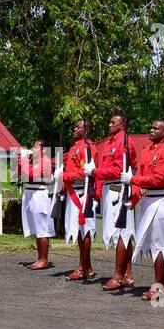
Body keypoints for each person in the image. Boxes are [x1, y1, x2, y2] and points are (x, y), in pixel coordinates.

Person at [126, 118, 164, 300]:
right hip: (148, 200)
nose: (151, 129)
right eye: (151, 126)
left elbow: (159, 178)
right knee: (153, 245)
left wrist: (133, 180)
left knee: (161, 246)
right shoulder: (147, 151)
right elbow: (141, 173)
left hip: (161, 200)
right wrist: (133, 196)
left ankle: (158, 288)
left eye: (156, 128)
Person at [96, 114, 139, 292]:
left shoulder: (125, 142)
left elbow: (118, 169)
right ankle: (127, 273)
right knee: (121, 232)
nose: (109, 124)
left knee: (122, 232)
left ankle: (118, 276)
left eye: (113, 122)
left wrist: (96, 172)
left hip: (119, 188)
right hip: (108, 187)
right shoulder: (109, 143)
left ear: (122, 124)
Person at [60, 119, 97, 281]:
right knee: (80, 231)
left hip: (82, 192)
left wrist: (64, 176)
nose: (74, 129)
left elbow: (85, 173)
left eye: (78, 127)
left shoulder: (88, 148)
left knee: (84, 230)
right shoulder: (76, 147)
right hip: (74, 191)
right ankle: (86, 267)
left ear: (87, 130)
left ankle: (83, 268)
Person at [18, 139, 55, 270]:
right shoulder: (34, 161)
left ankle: (44, 259)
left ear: (44, 149)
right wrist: (22, 159)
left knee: (42, 228)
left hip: (39, 194)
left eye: (36, 147)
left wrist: (23, 160)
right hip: (31, 193)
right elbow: (21, 174)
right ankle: (40, 258)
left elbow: (31, 175)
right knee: (36, 228)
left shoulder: (45, 161)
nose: (33, 149)